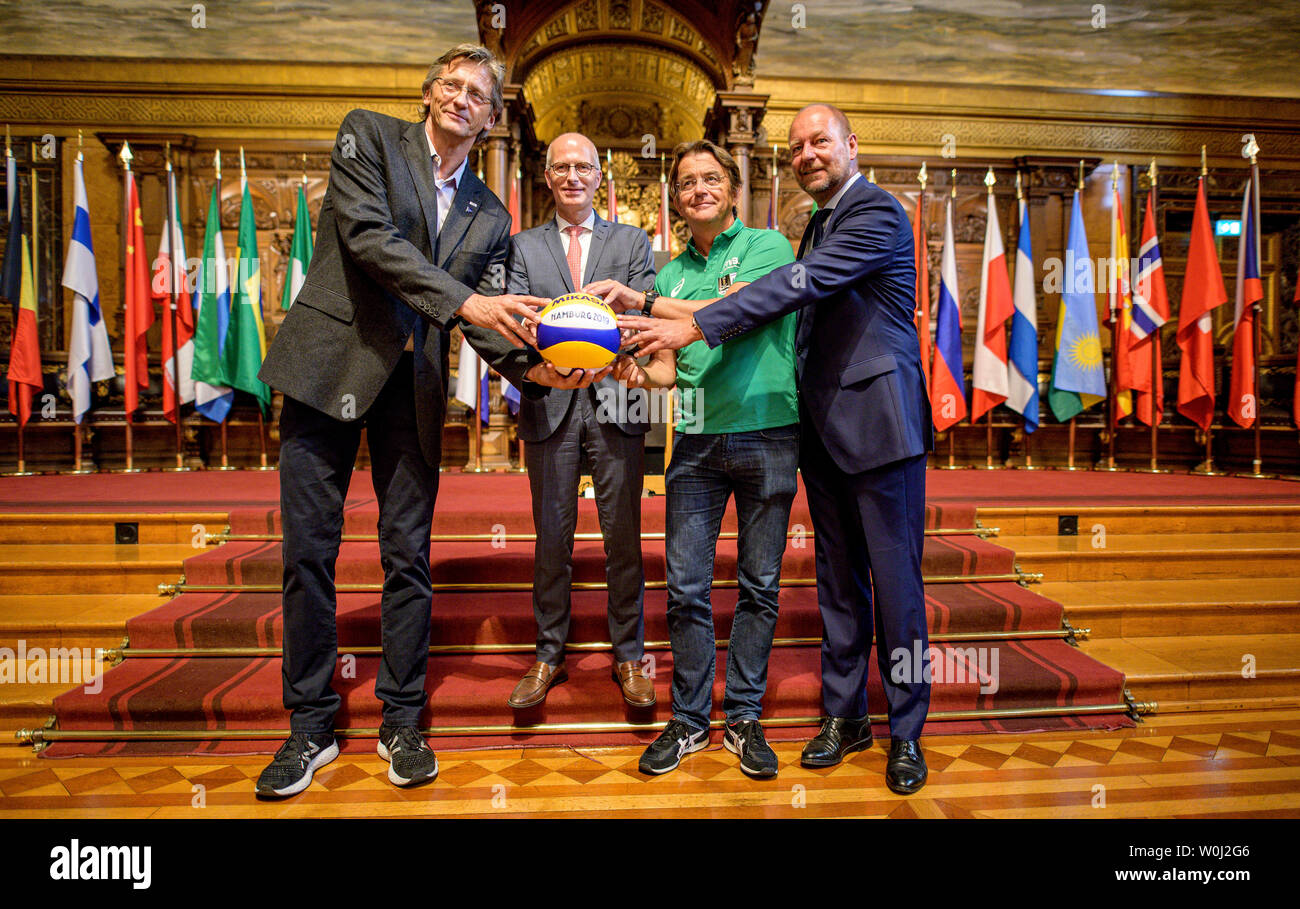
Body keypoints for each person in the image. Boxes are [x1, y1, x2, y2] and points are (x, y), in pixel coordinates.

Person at [254, 44, 604, 798]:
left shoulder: (492, 210)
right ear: (427, 94)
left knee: (407, 553)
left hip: (411, 388)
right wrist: (471, 302)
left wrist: (531, 369)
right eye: (453, 83)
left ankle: (402, 720)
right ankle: (310, 723)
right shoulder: (368, 137)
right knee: (308, 553)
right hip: (328, 369)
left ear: (489, 117)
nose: (463, 97)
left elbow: (483, 317)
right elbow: (370, 241)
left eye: (480, 93)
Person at [615, 105, 934, 795]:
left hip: (880, 429)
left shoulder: (875, 211)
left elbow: (791, 288)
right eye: (797, 147)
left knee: (898, 592)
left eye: (821, 141)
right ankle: (846, 716)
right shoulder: (818, 224)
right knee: (838, 588)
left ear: (852, 144)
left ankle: (906, 732)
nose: (808, 154)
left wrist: (681, 325)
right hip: (820, 434)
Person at [589, 139, 798, 778]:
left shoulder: (769, 248)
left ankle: (743, 717)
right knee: (685, 587)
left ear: (732, 189)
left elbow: (736, 314)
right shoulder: (670, 271)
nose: (698, 189)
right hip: (697, 440)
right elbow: (666, 370)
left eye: (711, 179)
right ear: (674, 199)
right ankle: (688, 721)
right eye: (686, 183)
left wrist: (643, 303)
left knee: (760, 584)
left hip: (768, 430)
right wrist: (631, 370)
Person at [505, 132, 657, 711]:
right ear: (547, 177)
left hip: (617, 402)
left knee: (623, 538)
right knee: (552, 539)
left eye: (584, 167)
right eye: (562, 167)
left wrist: (614, 347)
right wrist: (549, 354)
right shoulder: (523, 247)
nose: (573, 175)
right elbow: (513, 320)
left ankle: (628, 657)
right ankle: (548, 656)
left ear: (600, 177)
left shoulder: (633, 241)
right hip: (550, 407)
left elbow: (645, 310)